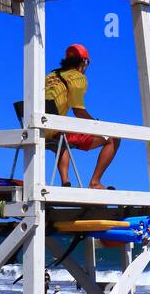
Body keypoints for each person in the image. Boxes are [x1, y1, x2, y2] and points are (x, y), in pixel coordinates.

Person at [43, 43, 120, 189]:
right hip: (54, 130)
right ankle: (95, 182)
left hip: (39, 128)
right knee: (113, 139)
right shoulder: (78, 78)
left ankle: (65, 181)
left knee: (61, 134)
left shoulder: (51, 75)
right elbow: (78, 112)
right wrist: (97, 124)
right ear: (84, 62)